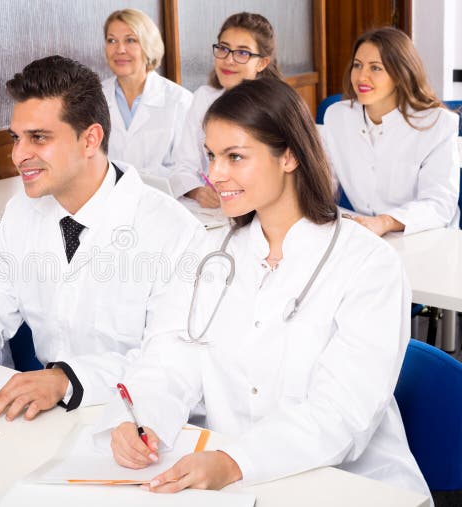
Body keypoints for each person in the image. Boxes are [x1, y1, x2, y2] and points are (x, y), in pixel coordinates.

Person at [101, 78, 430, 499]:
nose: (214, 174)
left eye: (235, 157)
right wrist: (140, 419)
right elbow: (169, 355)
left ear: (289, 155)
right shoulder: (207, 252)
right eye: (212, 156)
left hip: (350, 486)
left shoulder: (369, 263)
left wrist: (238, 462)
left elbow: (342, 413)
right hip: (229, 480)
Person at [0, 55, 206, 421]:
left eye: (38, 138)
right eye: (16, 138)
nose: (18, 155)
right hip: (53, 418)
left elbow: (170, 359)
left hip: (145, 424)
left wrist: (66, 380)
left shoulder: (174, 232)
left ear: (90, 139)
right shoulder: (23, 213)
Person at [322, 27, 459, 236]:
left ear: (400, 74)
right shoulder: (336, 116)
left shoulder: (438, 124)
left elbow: (439, 205)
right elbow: (325, 183)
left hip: (427, 235)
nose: (361, 76)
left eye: (375, 68)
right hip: (367, 234)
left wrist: (385, 222)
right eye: (357, 65)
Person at [174, 12, 282, 208]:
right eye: (223, 49)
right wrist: (198, 192)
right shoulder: (203, 98)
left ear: (262, 62)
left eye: (242, 53)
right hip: (215, 212)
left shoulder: (280, 106)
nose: (228, 60)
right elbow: (184, 164)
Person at [100, 9, 193, 197]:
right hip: (108, 202)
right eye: (112, 40)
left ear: (148, 45)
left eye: (130, 40)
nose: (120, 49)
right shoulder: (94, 98)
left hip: (164, 202)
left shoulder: (179, 100)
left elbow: (188, 167)